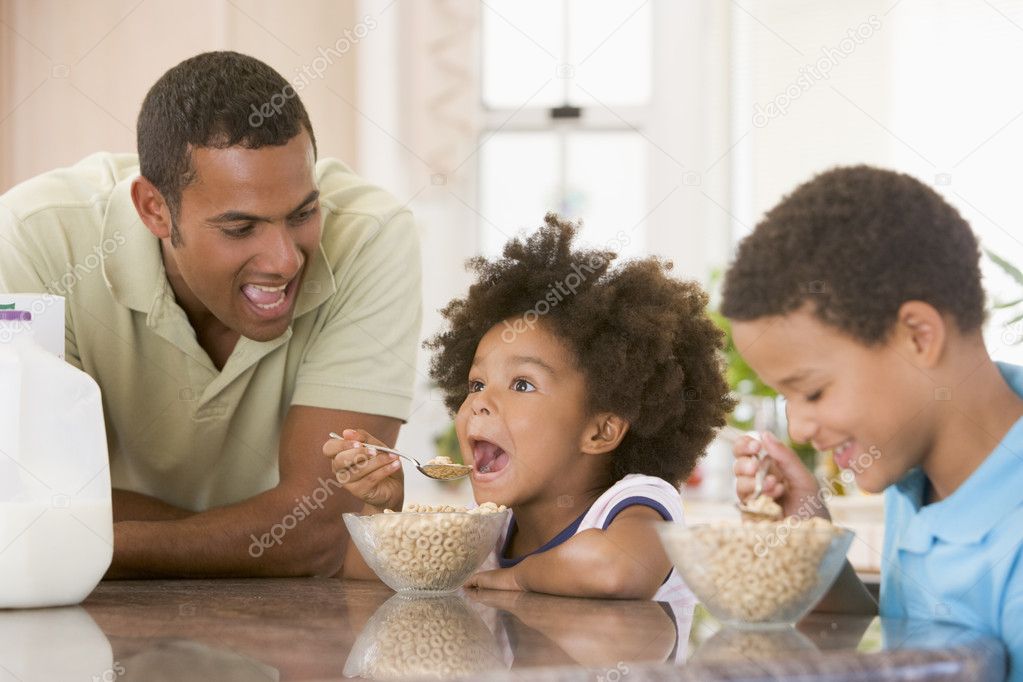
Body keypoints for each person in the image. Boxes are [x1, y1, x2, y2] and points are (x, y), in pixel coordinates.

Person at [0, 52, 422, 578]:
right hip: (87, 621)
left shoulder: (372, 235)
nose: (285, 260)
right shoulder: (37, 238)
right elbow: (23, 503)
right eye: (240, 228)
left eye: (303, 214)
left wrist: (85, 543)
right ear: (154, 209)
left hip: (284, 632)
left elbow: (318, 531)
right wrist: (260, 532)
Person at [327, 213, 734, 599]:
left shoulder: (634, 505)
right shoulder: (491, 527)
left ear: (600, 431)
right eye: (476, 383)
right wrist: (382, 507)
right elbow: (367, 582)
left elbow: (617, 570)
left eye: (522, 384)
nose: (480, 402)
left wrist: (518, 577)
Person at [721, 165, 1023, 681]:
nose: (799, 429)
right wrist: (812, 540)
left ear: (918, 336)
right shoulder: (922, 473)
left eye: (813, 391)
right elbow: (898, 646)